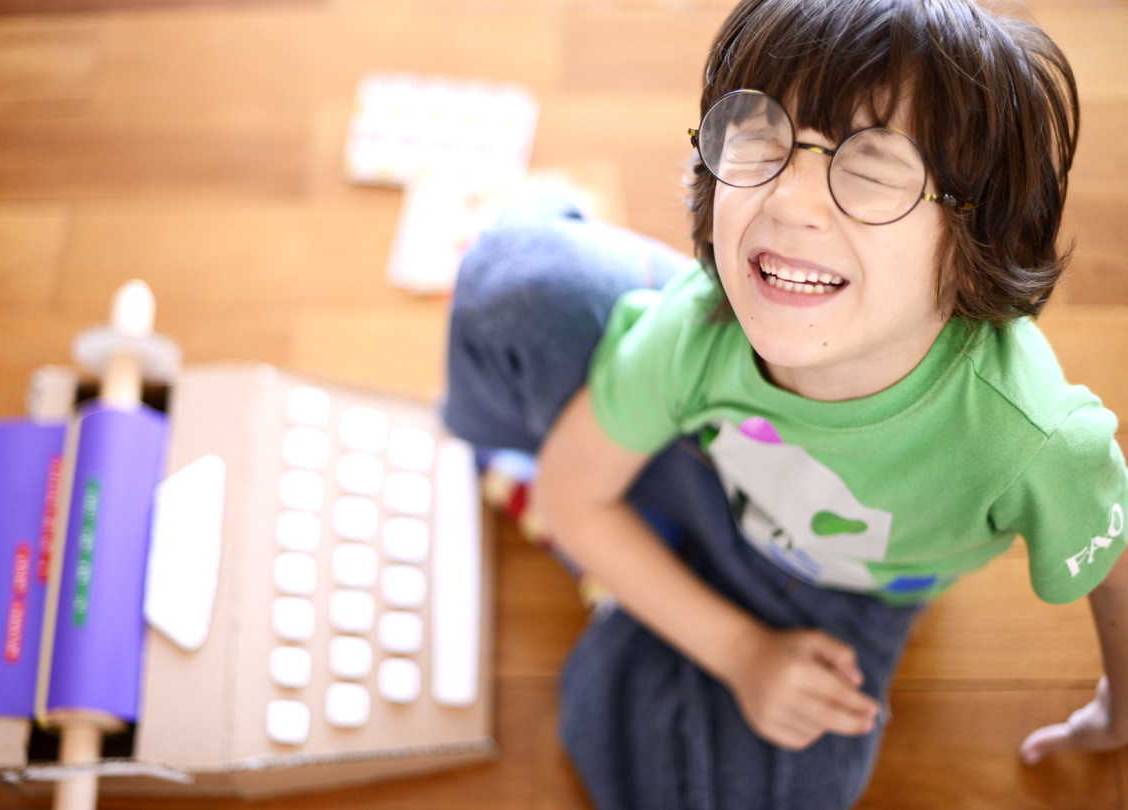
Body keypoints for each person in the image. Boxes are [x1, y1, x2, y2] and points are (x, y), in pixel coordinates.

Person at [442, 0, 1128, 807]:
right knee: (519, 281)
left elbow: (1111, 566)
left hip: (849, 592)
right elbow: (570, 490)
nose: (789, 202)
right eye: (761, 143)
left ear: (981, 237)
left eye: (871, 168)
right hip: (701, 463)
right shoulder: (700, 323)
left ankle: (633, 575)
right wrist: (736, 651)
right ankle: (623, 555)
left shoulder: (1033, 436)